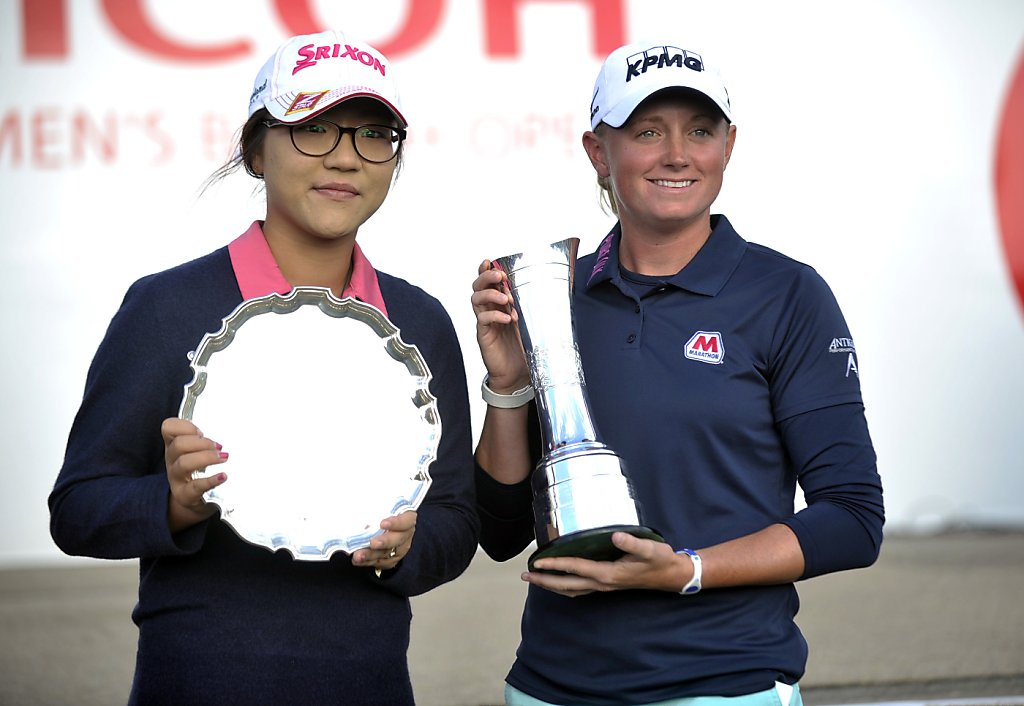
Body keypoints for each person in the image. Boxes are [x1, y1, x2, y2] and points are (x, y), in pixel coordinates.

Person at [49, 30, 479, 706]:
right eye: (312, 127)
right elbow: (77, 510)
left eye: (372, 134)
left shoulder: (419, 322)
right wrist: (175, 503)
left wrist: (407, 548)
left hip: (367, 686)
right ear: (256, 149)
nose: (345, 157)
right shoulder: (164, 307)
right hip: (196, 685)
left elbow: (455, 518)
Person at [471, 40, 884, 706]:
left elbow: (853, 520)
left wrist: (687, 571)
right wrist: (509, 385)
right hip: (552, 685)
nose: (676, 154)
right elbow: (501, 534)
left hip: (725, 684)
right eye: (646, 131)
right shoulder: (552, 299)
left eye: (700, 130)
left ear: (729, 145)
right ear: (597, 151)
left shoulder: (786, 295)